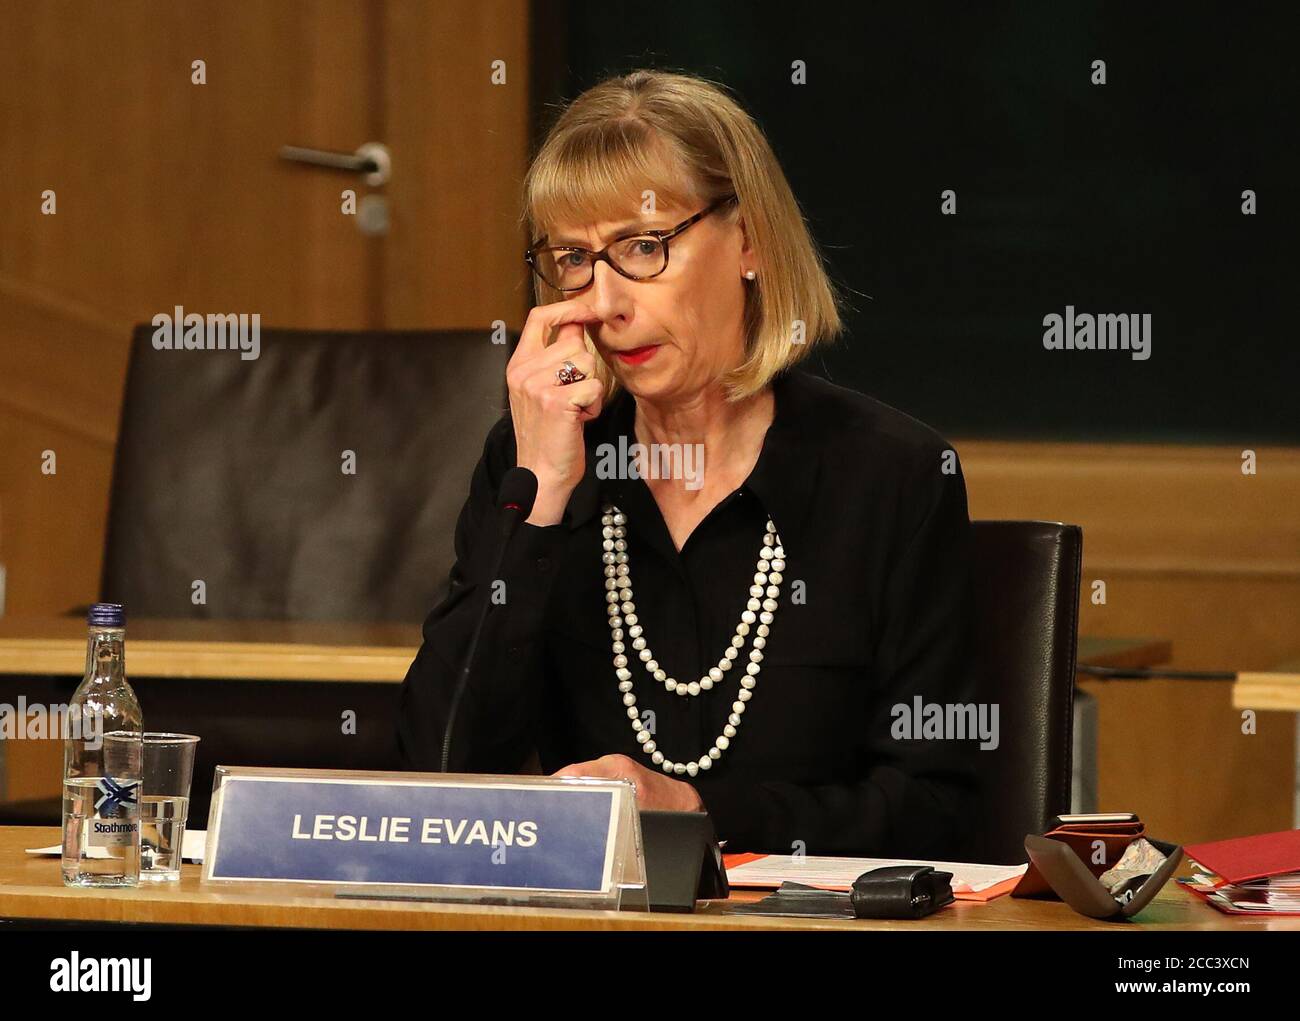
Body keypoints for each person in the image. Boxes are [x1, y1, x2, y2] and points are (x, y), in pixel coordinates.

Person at [398, 69, 978, 857]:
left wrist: (699, 808)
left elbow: (936, 810)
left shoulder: (890, 475)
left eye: (643, 246)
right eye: (573, 259)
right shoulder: (541, 457)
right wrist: (536, 497)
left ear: (749, 241)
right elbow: (438, 773)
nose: (604, 302)